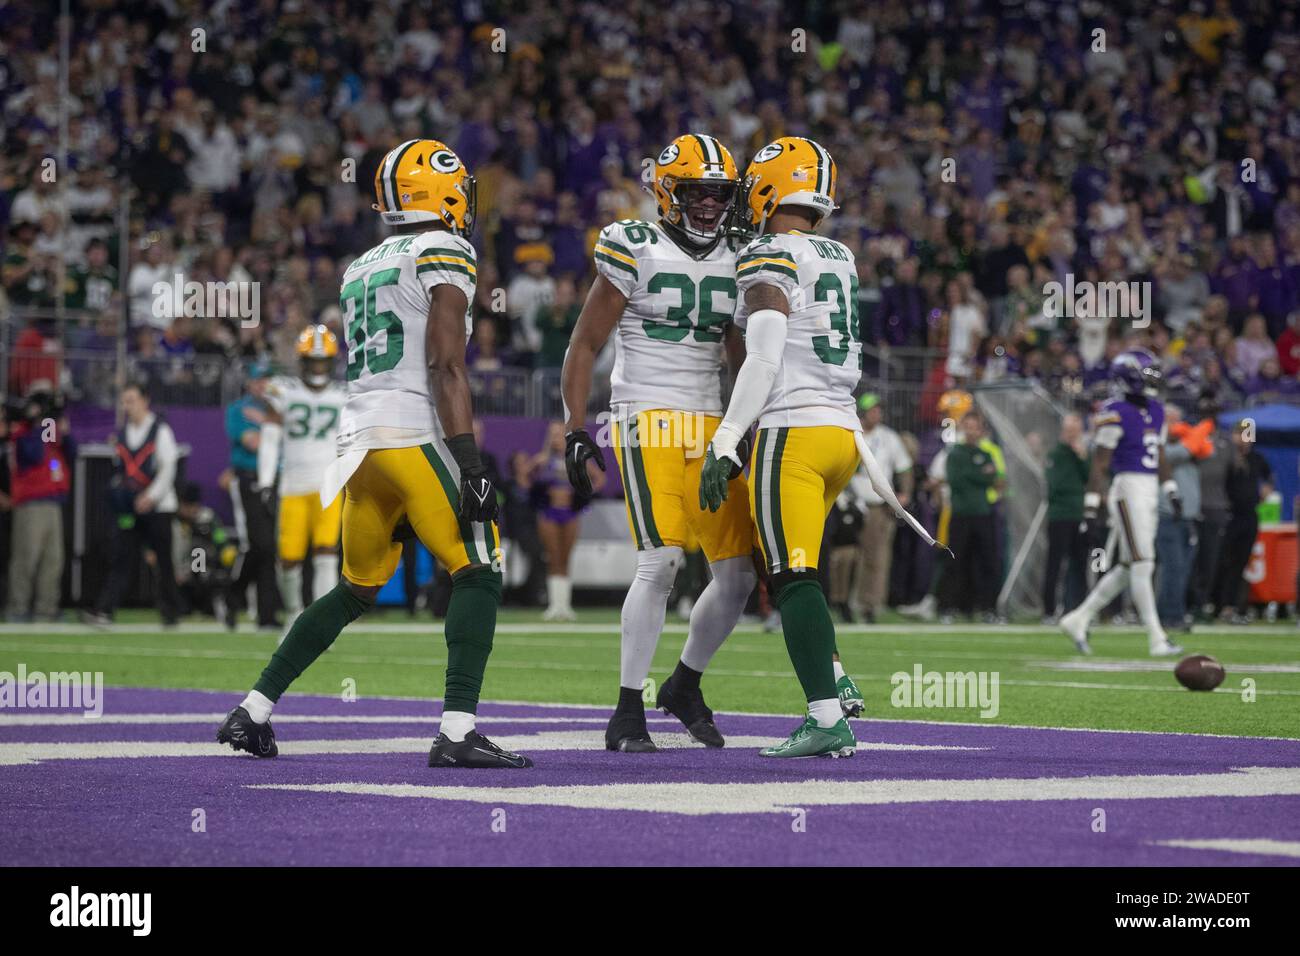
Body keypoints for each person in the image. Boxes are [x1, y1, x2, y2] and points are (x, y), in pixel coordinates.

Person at [217, 139, 531, 769]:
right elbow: (445, 364)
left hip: (358, 445)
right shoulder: (445, 249)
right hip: (412, 432)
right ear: (436, 191)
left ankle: (252, 710)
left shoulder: (362, 263)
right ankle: (458, 730)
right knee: (479, 568)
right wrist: (471, 464)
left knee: (355, 590)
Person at [561, 133, 779, 752]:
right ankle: (626, 710)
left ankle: (684, 683)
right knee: (661, 561)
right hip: (645, 414)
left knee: (738, 576)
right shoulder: (635, 245)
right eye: (696, 191)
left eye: (718, 193)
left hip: (711, 421)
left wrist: (746, 424)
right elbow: (583, 344)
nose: (710, 205)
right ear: (666, 191)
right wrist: (576, 426)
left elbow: (741, 354)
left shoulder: (743, 253)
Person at [699, 136, 864, 759]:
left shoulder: (767, 252)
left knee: (793, 577)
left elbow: (764, 357)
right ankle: (837, 679)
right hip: (841, 434)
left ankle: (825, 716)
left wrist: (724, 439)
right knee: (801, 571)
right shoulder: (840, 253)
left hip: (791, 432)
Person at [1060, 350, 1184, 657]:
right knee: (1144, 563)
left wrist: (1170, 488)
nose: (1154, 378)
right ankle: (1157, 638)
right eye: (1148, 373)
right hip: (1127, 489)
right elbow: (1100, 464)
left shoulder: (1156, 409)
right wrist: (1090, 508)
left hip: (1149, 490)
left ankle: (1078, 618)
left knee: (1130, 567)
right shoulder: (1114, 411)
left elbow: (1161, 454)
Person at [257, 326, 346, 634]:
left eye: (323, 362)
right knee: (289, 560)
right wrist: (266, 481)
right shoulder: (283, 391)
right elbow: (269, 438)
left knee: (326, 554)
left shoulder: (343, 395)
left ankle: (322, 623)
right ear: (303, 361)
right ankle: (295, 613)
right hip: (293, 486)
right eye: (314, 361)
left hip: (329, 487)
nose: (319, 367)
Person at [84, 381, 181, 627]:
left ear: (145, 400)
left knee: (163, 560)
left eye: (132, 400)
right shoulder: (123, 433)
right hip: (130, 508)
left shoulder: (161, 431)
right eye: (125, 401)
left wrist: (151, 496)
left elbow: (168, 467)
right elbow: (122, 471)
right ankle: (105, 609)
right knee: (121, 558)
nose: (128, 406)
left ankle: (170, 612)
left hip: (158, 507)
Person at [4, 382, 73, 622]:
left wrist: (59, 427)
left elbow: (68, 451)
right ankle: (18, 607)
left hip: (53, 502)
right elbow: (33, 455)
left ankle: (47, 609)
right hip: (30, 504)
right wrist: (36, 421)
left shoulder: (47, 429)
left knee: (53, 560)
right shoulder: (22, 431)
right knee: (26, 558)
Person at [224, 362, 280, 630]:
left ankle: (266, 615)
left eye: (267, 380)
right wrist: (272, 426)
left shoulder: (276, 409)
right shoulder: (238, 410)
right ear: (249, 384)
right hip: (249, 480)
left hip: (275, 481)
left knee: (270, 547)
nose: (263, 386)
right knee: (259, 544)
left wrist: (266, 422)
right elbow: (252, 442)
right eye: (259, 380)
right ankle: (234, 594)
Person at [851, 392, 913, 623]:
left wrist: (904, 493)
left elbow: (904, 467)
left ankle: (870, 605)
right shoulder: (851, 434)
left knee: (876, 558)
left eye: (879, 410)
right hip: (848, 504)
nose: (877, 414)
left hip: (877, 506)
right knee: (845, 556)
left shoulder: (889, 438)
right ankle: (843, 602)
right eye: (872, 410)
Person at [531, 420, 599, 621]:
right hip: (549, 512)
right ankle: (554, 605)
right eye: (553, 434)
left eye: (559, 434)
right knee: (552, 556)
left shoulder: (577, 459)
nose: (556, 438)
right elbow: (524, 478)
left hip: (570, 512)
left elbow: (599, 478)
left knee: (566, 557)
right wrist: (539, 491)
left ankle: (565, 605)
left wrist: (583, 493)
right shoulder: (543, 460)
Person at [940, 411, 1002, 622]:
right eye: (968, 426)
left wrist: (976, 475)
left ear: (981, 430)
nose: (971, 431)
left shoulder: (986, 454)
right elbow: (957, 479)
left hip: (983, 513)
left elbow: (993, 478)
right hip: (961, 514)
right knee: (956, 562)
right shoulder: (955, 453)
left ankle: (988, 609)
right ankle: (949, 607)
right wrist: (979, 474)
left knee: (987, 562)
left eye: (975, 427)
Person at [1155, 405, 1209, 631]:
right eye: (1169, 420)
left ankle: (1166, 612)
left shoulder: (1191, 448)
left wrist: (1191, 434)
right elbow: (1181, 451)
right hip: (1168, 516)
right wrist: (1202, 427)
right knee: (1173, 568)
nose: (1175, 425)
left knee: (1183, 569)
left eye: (1178, 420)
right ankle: (1172, 616)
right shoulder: (1160, 449)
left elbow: (1210, 450)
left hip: (1189, 517)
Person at [1213, 421, 1273, 623]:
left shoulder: (1256, 458)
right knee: (1222, 560)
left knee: (1240, 562)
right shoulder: (1226, 457)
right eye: (1241, 433)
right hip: (1229, 514)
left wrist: (1267, 487)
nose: (1244, 438)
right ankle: (1216, 604)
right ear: (1233, 435)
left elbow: (1268, 475)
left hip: (1249, 515)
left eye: (1248, 434)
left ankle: (1232, 607)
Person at [1042, 413, 1089, 621]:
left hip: (1079, 514)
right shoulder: (1056, 454)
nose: (1073, 434)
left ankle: (1079, 608)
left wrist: (1082, 458)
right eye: (1070, 429)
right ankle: (1049, 610)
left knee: (1080, 564)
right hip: (1060, 515)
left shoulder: (1081, 454)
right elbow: (1056, 485)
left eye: (1076, 430)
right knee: (1055, 563)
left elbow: (1089, 477)